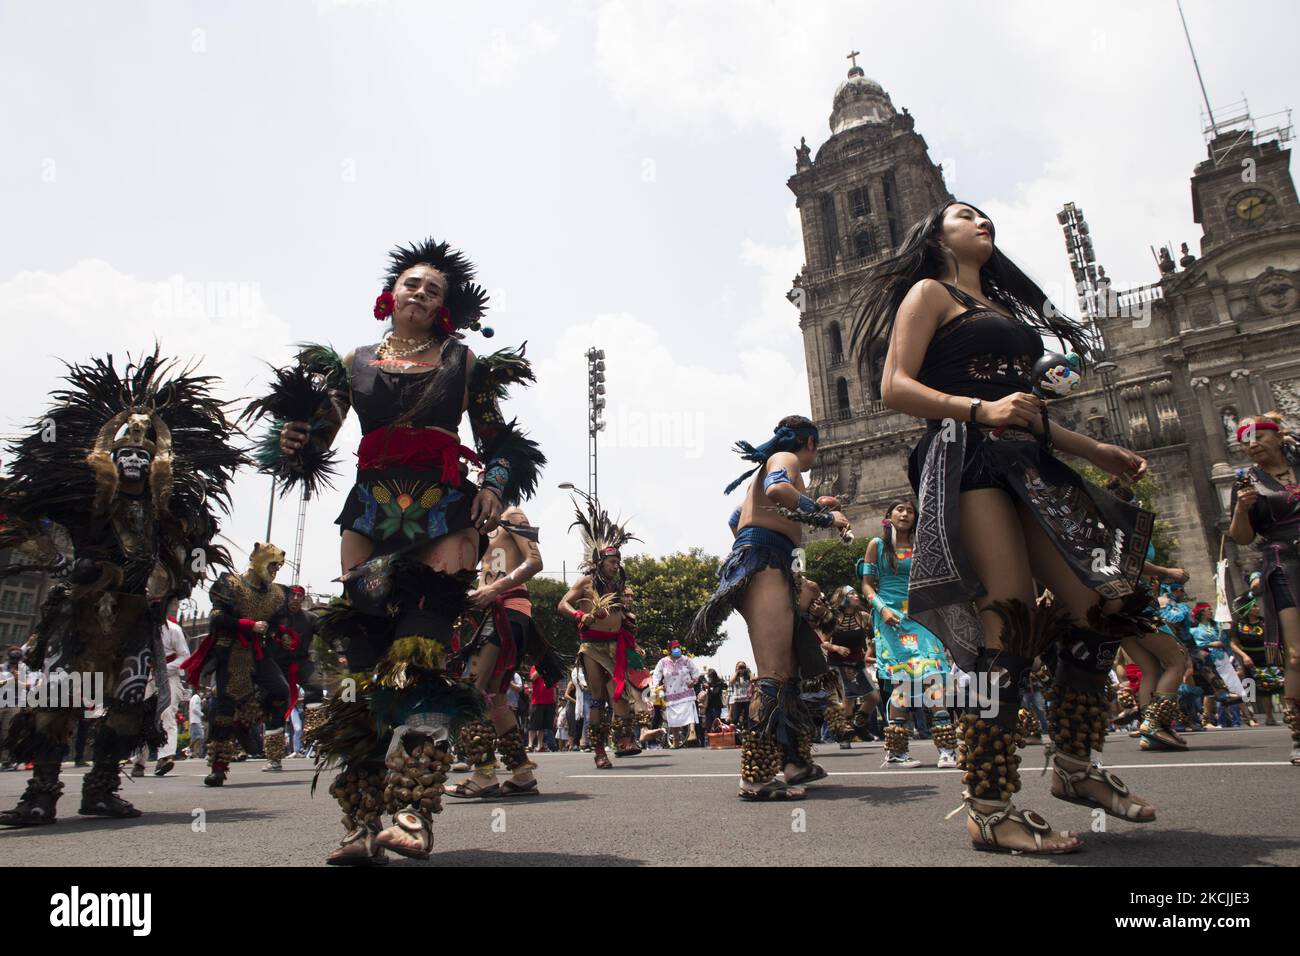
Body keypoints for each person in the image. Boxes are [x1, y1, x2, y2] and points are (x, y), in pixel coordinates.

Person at [857, 201, 1158, 853]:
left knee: (1099, 606)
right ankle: (990, 807)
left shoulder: (1000, 306)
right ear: (938, 236)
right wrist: (978, 408)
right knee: (1010, 620)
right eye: (966, 215)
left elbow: (1023, 408)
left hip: (1026, 454)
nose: (982, 221)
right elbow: (895, 386)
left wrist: (1095, 450)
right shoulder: (928, 293)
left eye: (985, 215)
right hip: (966, 457)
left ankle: (1075, 768)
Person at [269, 236, 546, 864]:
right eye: (411, 283)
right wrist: (292, 441)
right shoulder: (354, 361)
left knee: (420, 653)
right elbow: (316, 439)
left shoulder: (465, 363)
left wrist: (494, 487)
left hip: (445, 512)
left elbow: (502, 444)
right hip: (368, 514)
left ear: (445, 306)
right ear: (389, 294)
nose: (420, 293)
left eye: (434, 289)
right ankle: (362, 821)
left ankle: (414, 814)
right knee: (361, 667)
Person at [0, 350, 242, 827]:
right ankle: (41, 794)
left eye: (142, 455)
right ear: (111, 460)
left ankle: (102, 789)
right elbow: (35, 524)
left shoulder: (167, 513)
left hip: (135, 619)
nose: (133, 461)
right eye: (125, 454)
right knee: (59, 699)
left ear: (155, 463)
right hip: (81, 617)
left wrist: (169, 579)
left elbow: (187, 558)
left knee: (131, 701)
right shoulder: (86, 504)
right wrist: (72, 565)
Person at [689, 415, 849, 800]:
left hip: (769, 562)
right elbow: (778, 490)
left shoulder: (769, 468)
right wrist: (824, 515)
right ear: (810, 442)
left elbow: (736, 518)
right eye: (817, 447)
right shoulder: (786, 460)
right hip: (765, 563)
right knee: (774, 673)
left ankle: (794, 763)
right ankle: (756, 776)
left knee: (789, 671)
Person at [447, 506, 561, 799]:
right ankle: (522, 772)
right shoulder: (474, 527)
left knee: (469, 691)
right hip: (490, 614)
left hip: (508, 612)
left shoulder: (512, 514)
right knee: (496, 698)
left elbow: (535, 561)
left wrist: (493, 589)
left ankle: (484, 774)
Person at [180, 543, 293, 783]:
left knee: (281, 691)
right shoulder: (230, 584)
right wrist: (247, 625)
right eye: (272, 565)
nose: (275, 570)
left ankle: (245, 723)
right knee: (225, 708)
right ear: (259, 562)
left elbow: (274, 623)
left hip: (258, 651)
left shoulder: (277, 594)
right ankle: (218, 767)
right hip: (231, 650)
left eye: (278, 567)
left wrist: (279, 634)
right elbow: (217, 618)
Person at [858, 500, 955, 768]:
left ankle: (947, 750)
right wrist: (883, 610)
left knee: (933, 676)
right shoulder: (876, 546)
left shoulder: (923, 545)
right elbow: (866, 586)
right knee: (903, 681)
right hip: (891, 619)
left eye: (910, 511)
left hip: (922, 616)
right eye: (900, 509)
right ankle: (896, 753)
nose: (905, 514)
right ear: (889, 516)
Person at [1228, 412, 1300, 765]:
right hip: (1283, 564)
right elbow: (1242, 537)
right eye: (1244, 439)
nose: (1251, 443)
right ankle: (1299, 735)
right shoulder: (1245, 481)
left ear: (1278, 435)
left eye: (1257, 435)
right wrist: (1242, 509)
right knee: (1297, 654)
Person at [558, 492, 649, 768]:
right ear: (599, 563)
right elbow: (562, 603)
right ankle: (598, 750)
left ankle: (623, 740)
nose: (616, 565)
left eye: (618, 562)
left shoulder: (619, 587)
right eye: (612, 562)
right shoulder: (586, 582)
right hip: (592, 647)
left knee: (619, 693)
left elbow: (624, 614)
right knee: (597, 698)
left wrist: (629, 622)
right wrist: (580, 615)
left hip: (616, 645)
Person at [131, 602, 192, 777]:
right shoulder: (139, 630)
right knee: (141, 716)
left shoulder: (174, 629)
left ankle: (164, 758)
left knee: (167, 714)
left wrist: (163, 669)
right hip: (144, 676)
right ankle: (139, 762)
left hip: (168, 676)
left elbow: (185, 657)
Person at [650, 643, 703, 748]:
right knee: (673, 718)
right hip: (671, 693)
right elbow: (656, 675)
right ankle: (676, 740)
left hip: (686, 691)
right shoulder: (663, 662)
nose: (677, 649)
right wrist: (657, 687)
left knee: (689, 711)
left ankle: (692, 732)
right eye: (674, 648)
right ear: (669, 649)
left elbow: (695, 671)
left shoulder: (686, 660)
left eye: (678, 647)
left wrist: (693, 681)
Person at [726, 662, 752, 730]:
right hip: (737, 700)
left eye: (743, 667)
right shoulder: (735, 676)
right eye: (740, 667)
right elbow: (731, 681)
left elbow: (753, 679)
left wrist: (748, 671)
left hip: (746, 700)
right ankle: (733, 734)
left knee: (746, 719)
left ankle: (745, 733)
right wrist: (737, 672)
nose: (742, 669)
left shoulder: (747, 676)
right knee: (735, 719)